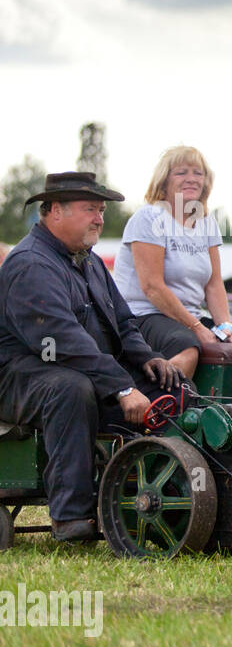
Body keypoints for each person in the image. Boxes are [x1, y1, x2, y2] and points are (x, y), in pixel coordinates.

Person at [0, 173, 183, 542]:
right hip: (20, 375)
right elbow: (61, 343)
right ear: (53, 212)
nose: (100, 218)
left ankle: (180, 495)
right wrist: (121, 387)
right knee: (70, 388)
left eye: (100, 210)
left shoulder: (90, 262)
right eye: (90, 210)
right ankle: (71, 516)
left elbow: (124, 322)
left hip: (78, 367)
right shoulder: (31, 265)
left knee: (172, 384)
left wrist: (148, 358)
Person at [113, 145, 232, 379]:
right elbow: (152, 287)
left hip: (190, 317)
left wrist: (225, 327)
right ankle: (165, 405)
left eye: (198, 173)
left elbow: (214, 283)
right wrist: (196, 328)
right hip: (142, 316)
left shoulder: (207, 222)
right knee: (187, 346)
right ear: (164, 181)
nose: (191, 179)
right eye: (181, 173)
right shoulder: (148, 217)